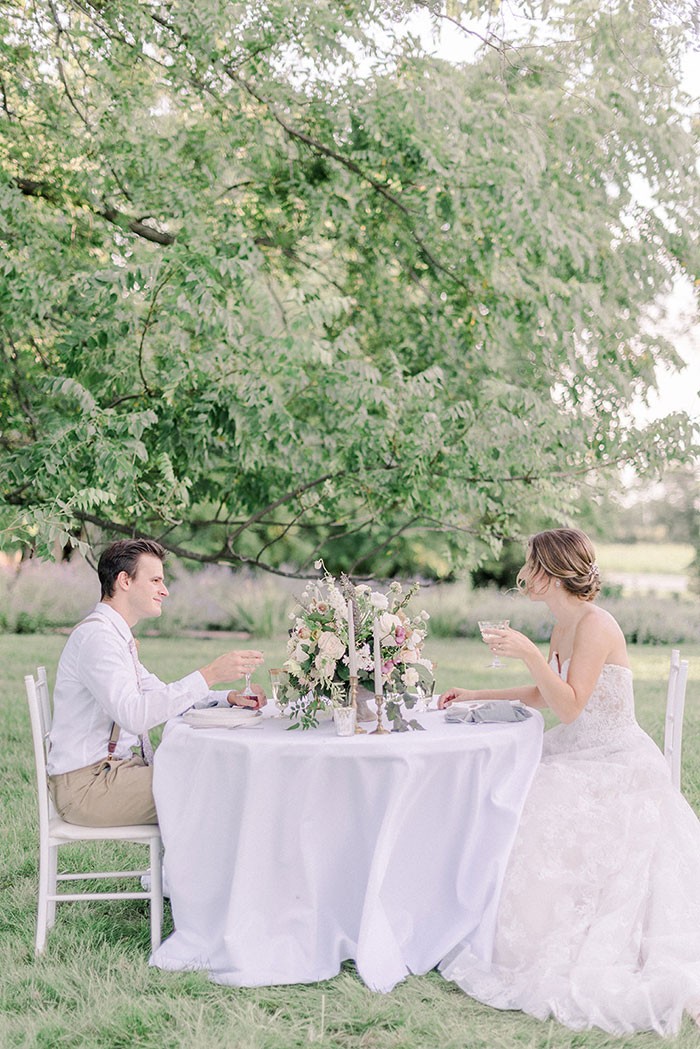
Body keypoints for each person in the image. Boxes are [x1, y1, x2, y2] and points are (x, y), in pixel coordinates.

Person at [437, 527, 700, 1036]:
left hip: (614, 760)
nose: (523, 573)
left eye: (531, 564)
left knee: (534, 801)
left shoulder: (596, 625)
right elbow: (546, 693)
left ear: (553, 572)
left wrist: (529, 653)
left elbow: (571, 706)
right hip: (577, 750)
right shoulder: (564, 625)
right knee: (504, 784)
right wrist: (475, 694)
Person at [47, 539, 266, 827]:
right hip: (88, 787)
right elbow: (135, 716)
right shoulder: (98, 639)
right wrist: (210, 673)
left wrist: (226, 698)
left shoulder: (113, 635)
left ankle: (194, 858)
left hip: (111, 773)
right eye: (155, 580)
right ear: (125, 581)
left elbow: (158, 693)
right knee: (217, 785)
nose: (165, 590)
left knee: (214, 774)